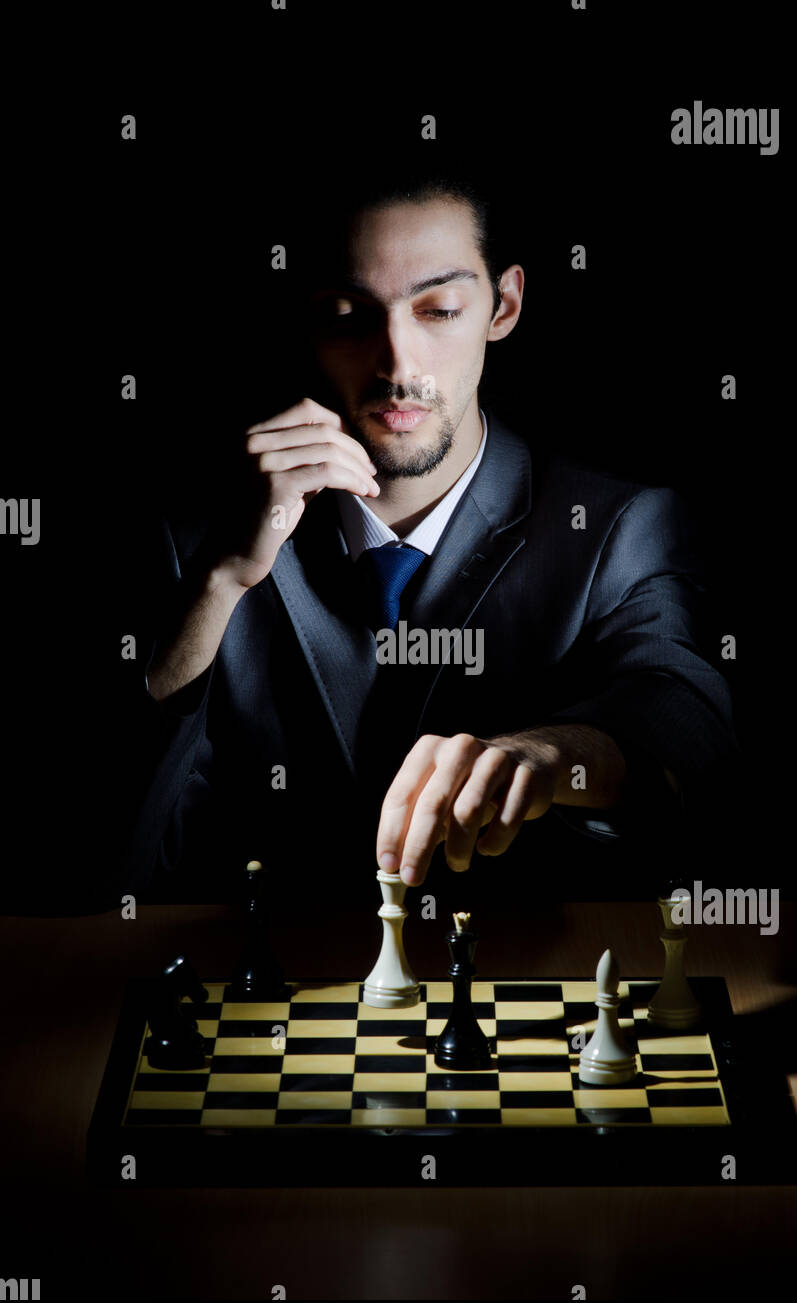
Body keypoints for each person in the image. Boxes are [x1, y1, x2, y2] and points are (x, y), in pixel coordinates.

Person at [122, 172, 738, 909]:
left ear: (502, 305)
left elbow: (683, 720)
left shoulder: (618, 525)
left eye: (439, 309)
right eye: (351, 316)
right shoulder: (195, 540)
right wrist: (218, 582)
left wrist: (552, 755)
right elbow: (103, 854)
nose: (397, 365)